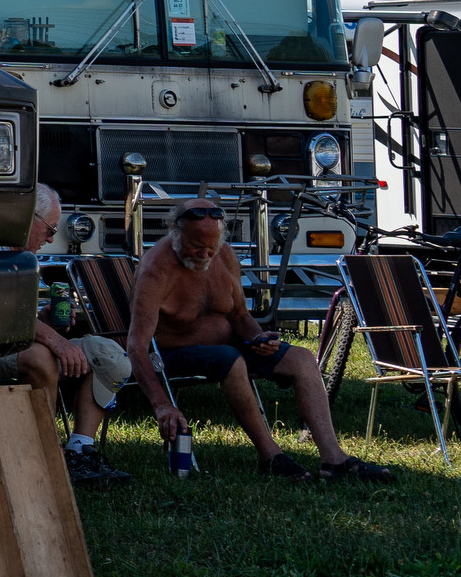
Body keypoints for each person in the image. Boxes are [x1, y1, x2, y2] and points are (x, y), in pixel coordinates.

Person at [127, 200, 391, 482]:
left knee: (301, 358)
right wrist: (162, 404)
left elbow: (240, 315)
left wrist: (257, 337)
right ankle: (270, 456)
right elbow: (136, 346)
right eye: (196, 246)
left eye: (211, 247)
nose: (205, 254)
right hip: (174, 354)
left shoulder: (224, 256)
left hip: (229, 348)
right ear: (175, 234)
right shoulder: (156, 270)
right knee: (231, 360)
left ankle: (334, 460)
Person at [0, 186, 133, 486]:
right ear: (26, 218)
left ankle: (80, 449)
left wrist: (44, 322)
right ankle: (39, 450)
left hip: (20, 338)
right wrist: (55, 341)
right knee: (42, 355)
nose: (50, 239)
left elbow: (21, 318)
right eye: (49, 230)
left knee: (109, 355)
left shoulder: (25, 259)